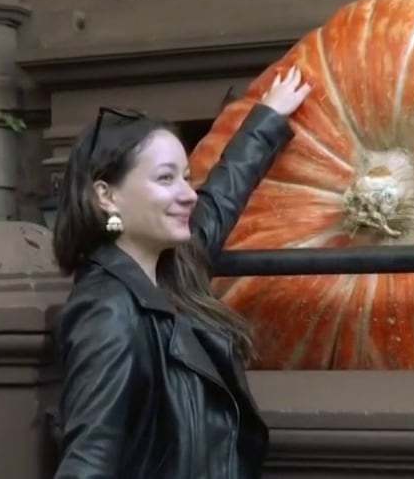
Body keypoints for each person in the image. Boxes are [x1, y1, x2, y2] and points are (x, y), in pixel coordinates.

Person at [50, 67, 312, 479]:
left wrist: (269, 117)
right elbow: (89, 460)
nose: (188, 194)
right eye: (165, 179)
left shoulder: (173, 266)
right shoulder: (108, 311)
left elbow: (222, 195)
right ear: (107, 196)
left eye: (186, 177)